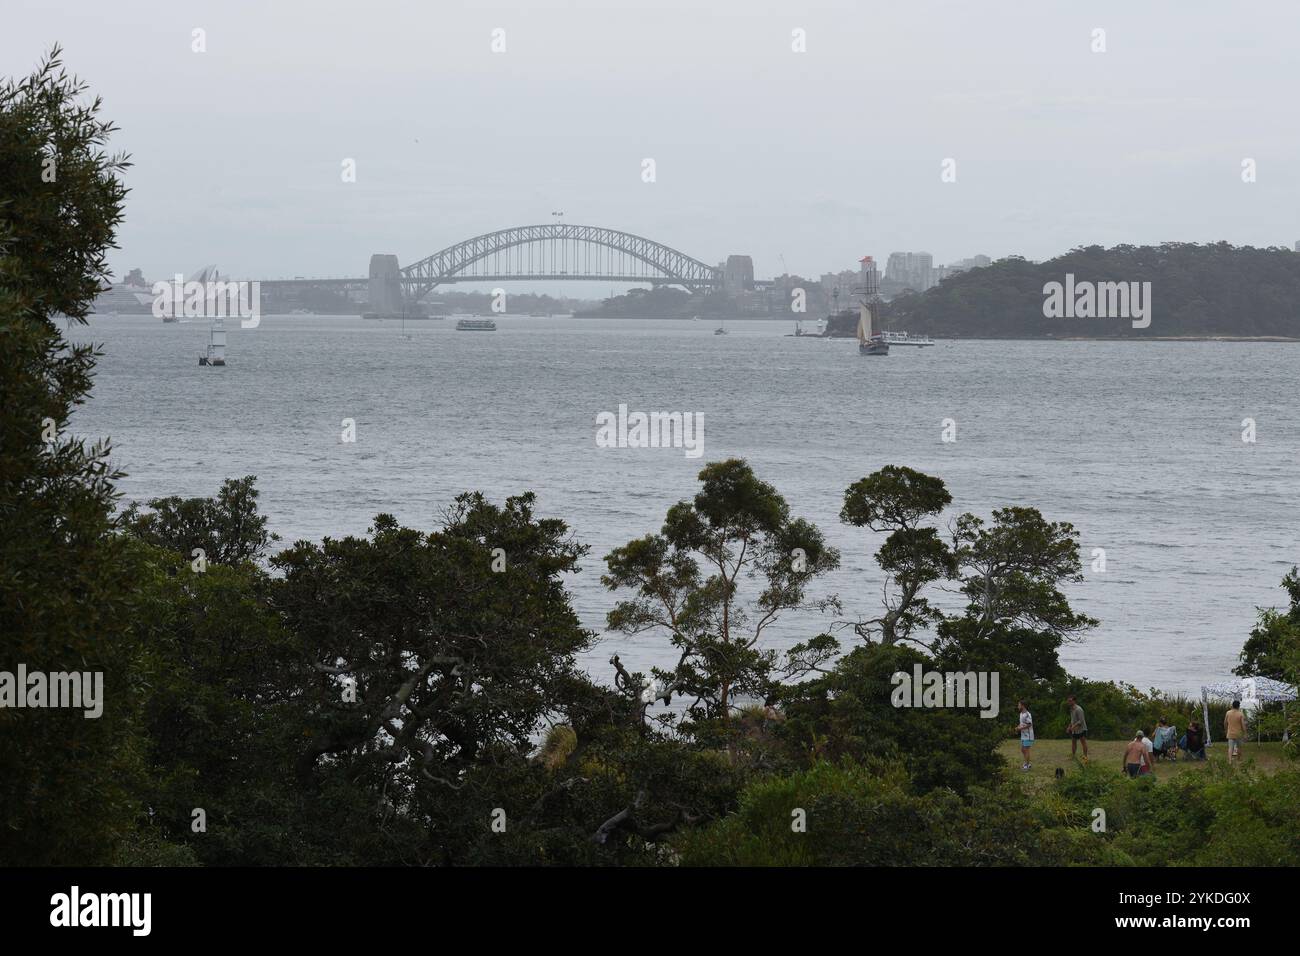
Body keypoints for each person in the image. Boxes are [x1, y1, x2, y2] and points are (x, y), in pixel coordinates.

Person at [1065, 694, 1089, 761]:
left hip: (1081, 729)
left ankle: (1085, 757)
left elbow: (1081, 721)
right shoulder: (1071, 709)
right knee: (1073, 742)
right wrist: (1069, 727)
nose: (1068, 702)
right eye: (1068, 701)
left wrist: (1073, 726)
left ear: (1074, 701)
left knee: (1083, 742)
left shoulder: (1079, 709)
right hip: (1074, 729)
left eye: (1070, 701)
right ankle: (1073, 756)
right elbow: (1072, 720)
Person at [1015, 700, 1034, 771]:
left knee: (1026, 750)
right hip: (1023, 735)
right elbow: (1021, 724)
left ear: (1022, 705)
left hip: (1028, 735)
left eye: (1019, 705)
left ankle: (1026, 765)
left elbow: (1029, 724)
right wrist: (1017, 727)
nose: (1018, 706)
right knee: (1023, 750)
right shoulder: (1021, 714)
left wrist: (1020, 728)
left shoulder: (1027, 714)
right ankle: (1028, 764)